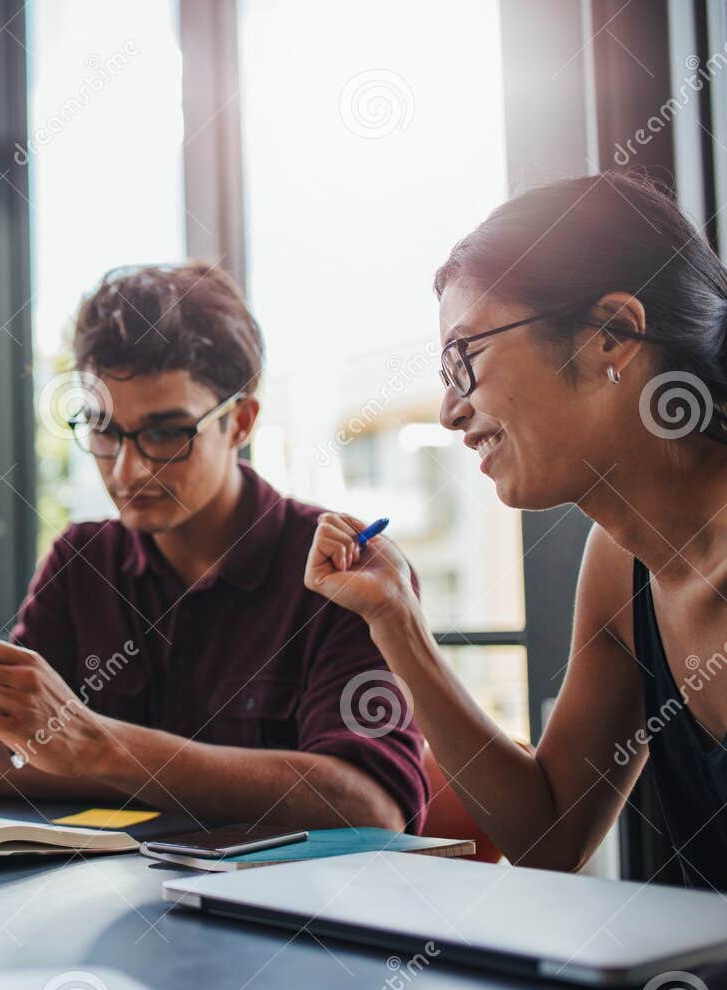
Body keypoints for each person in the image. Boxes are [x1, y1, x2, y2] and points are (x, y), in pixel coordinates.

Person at [307, 170, 727, 889]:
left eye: (464, 358)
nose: (449, 410)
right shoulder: (619, 565)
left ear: (612, 335)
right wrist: (397, 620)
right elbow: (550, 831)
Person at [0, 262, 427, 830]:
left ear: (241, 422)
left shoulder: (344, 570)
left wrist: (98, 747)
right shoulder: (81, 561)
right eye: (104, 430)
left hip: (289, 914)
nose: (128, 469)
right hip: (114, 908)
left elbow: (370, 808)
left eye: (164, 433)